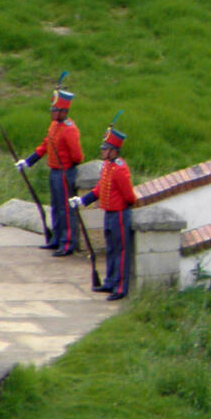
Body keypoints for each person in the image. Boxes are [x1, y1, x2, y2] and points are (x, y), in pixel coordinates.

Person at [72, 123, 137, 299]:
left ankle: (120, 287)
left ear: (113, 151)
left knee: (121, 251)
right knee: (111, 249)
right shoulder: (107, 166)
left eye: (105, 149)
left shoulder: (120, 169)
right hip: (109, 213)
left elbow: (130, 196)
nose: (102, 152)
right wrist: (82, 200)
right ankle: (109, 282)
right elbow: (100, 189)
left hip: (119, 214)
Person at [16, 87, 83, 256]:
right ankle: (56, 239)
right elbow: (45, 145)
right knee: (55, 207)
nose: (52, 113)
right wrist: (28, 161)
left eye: (55, 110)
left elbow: (77, 156)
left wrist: (67, 166)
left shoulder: (70, 130)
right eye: (52, 110)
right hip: (54, 171)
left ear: (63, 111)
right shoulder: (54, 125)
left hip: (64, 172)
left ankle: (67, 243)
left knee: (65, 209)